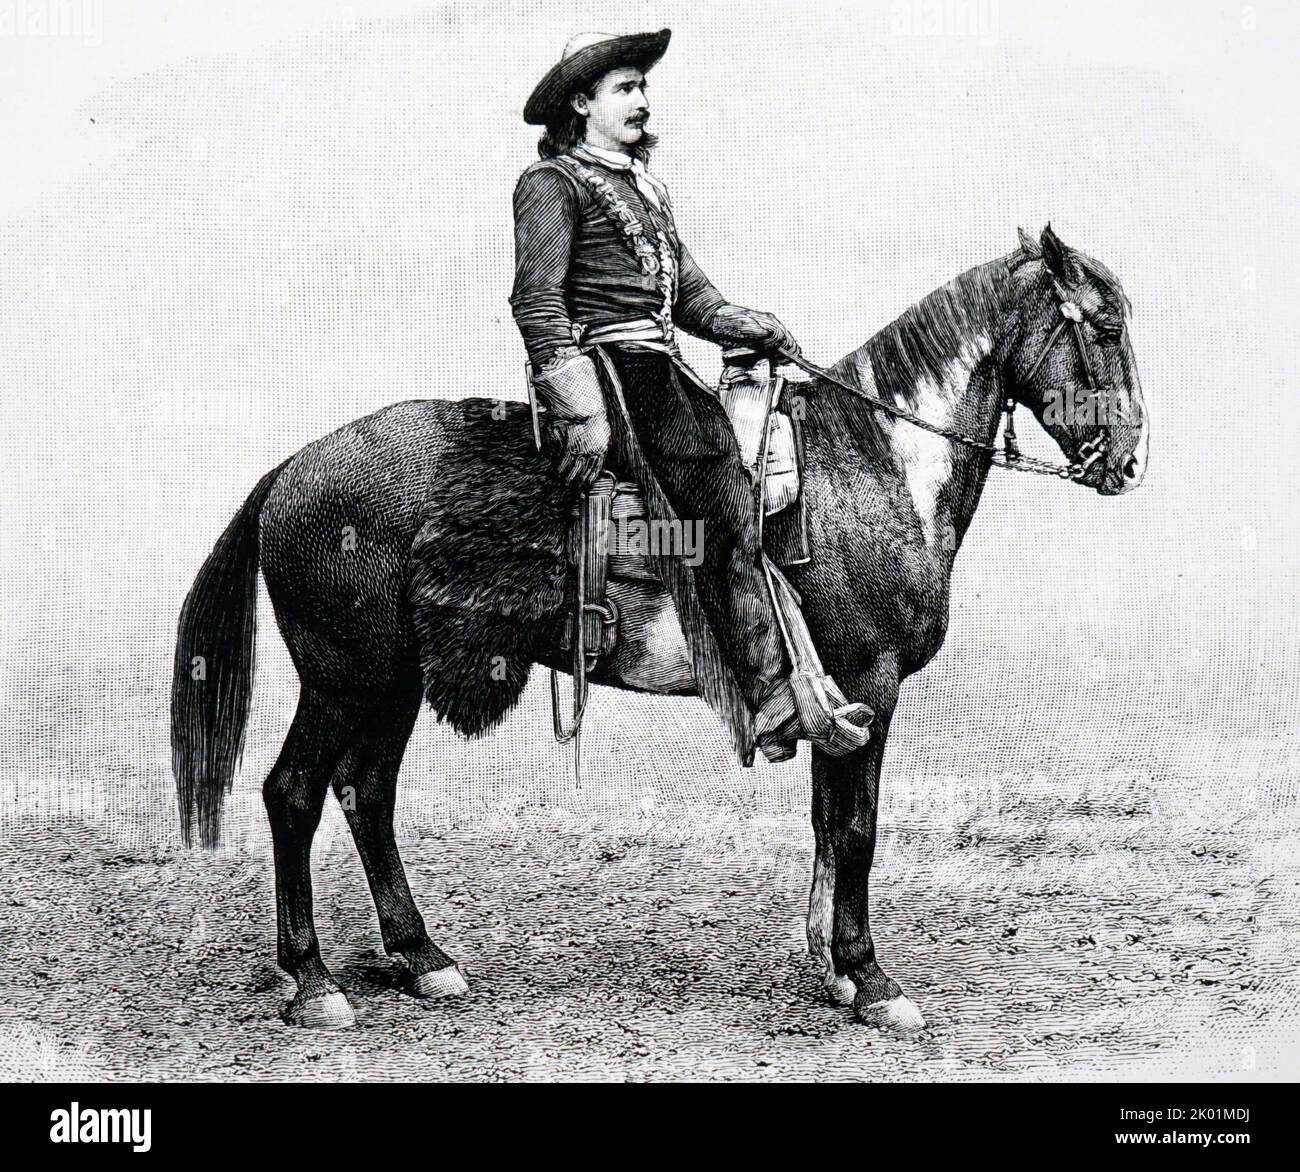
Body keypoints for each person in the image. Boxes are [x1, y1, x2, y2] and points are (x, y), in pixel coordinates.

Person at [510, 29, 865, 761]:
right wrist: (578, 403)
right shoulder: (553, 185)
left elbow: (692, 300)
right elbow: (537, 302)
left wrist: (747, 323)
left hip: (666, 367)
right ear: (583, 103)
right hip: (617, 373)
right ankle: (769, 698)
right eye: (625, 88)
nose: (642, 100)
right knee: (726, 504)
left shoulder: (648, 189)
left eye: (644, 86)